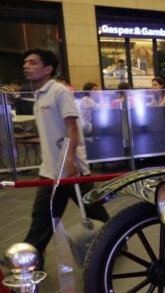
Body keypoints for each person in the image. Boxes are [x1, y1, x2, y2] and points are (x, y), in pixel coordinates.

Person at [21, 48, 109, 268]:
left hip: (71, 166)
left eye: (32, 62)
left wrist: (69, 160)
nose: (26, 66)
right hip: (49, 168)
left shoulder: (59, 91)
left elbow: (72, 127)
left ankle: (115, 239)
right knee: (43, 215)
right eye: (26, 62)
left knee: (92, 210)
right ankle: (32, 256)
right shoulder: (39, 94)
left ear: (48, 69)